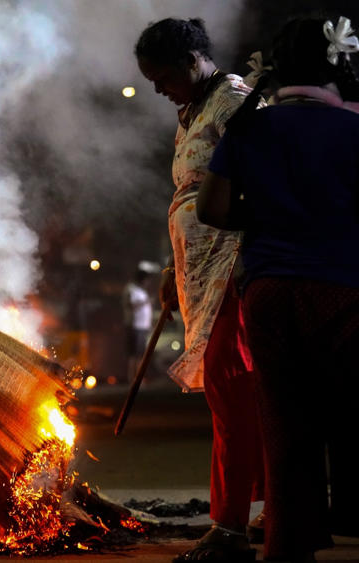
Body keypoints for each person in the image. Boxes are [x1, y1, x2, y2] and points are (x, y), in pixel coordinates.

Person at [197, 15, 359, 562]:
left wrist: (270, 216)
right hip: (346, 290)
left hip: (269, 293)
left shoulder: (250, 127)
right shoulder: (353, 129)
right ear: (337, 63)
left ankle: (289, 545)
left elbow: (212, 208)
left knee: (285, 424)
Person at [135, 18, 265, 562]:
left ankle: (230, 526)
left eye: (164, 78)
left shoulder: (234, 101)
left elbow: (261, 179)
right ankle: (269, 511)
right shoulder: (193, 111)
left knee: (232, 388)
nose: (159, 90)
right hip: (201, 268)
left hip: (232, 264)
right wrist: (174, 265)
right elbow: (190, 193)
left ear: (192, 60)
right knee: (234, 392)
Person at [121, 267, 153, 383]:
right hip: (135, 326)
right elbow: (130, 305)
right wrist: (146, 302)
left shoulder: (141, 291)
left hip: (142, 326)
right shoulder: (131, 289)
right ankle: (133, 378)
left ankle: (138, 378)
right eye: (147, 280)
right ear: (142, 279)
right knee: (134, 354)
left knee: (140, 354)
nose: (148, 283)